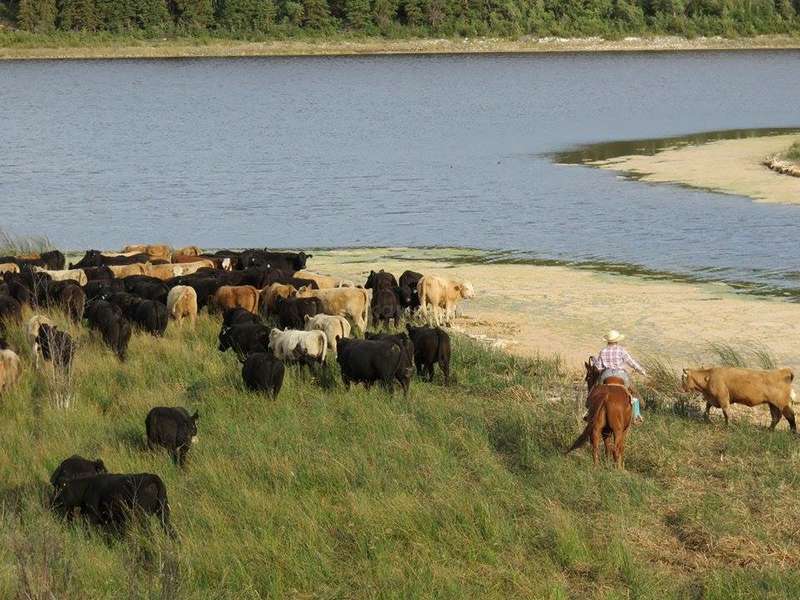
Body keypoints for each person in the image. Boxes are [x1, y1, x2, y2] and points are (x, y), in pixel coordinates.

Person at [593, 330, 647, 424]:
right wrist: (641, 371)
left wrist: (596, 362)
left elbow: (598, 367)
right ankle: (636, 415)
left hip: (606, 374)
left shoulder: (603, 351)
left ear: (607, 341)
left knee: (597, 391)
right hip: (621, 375)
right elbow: (632, 362)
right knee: (631, 393)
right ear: (617, 340)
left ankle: (590, 412)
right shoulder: (621, 350)